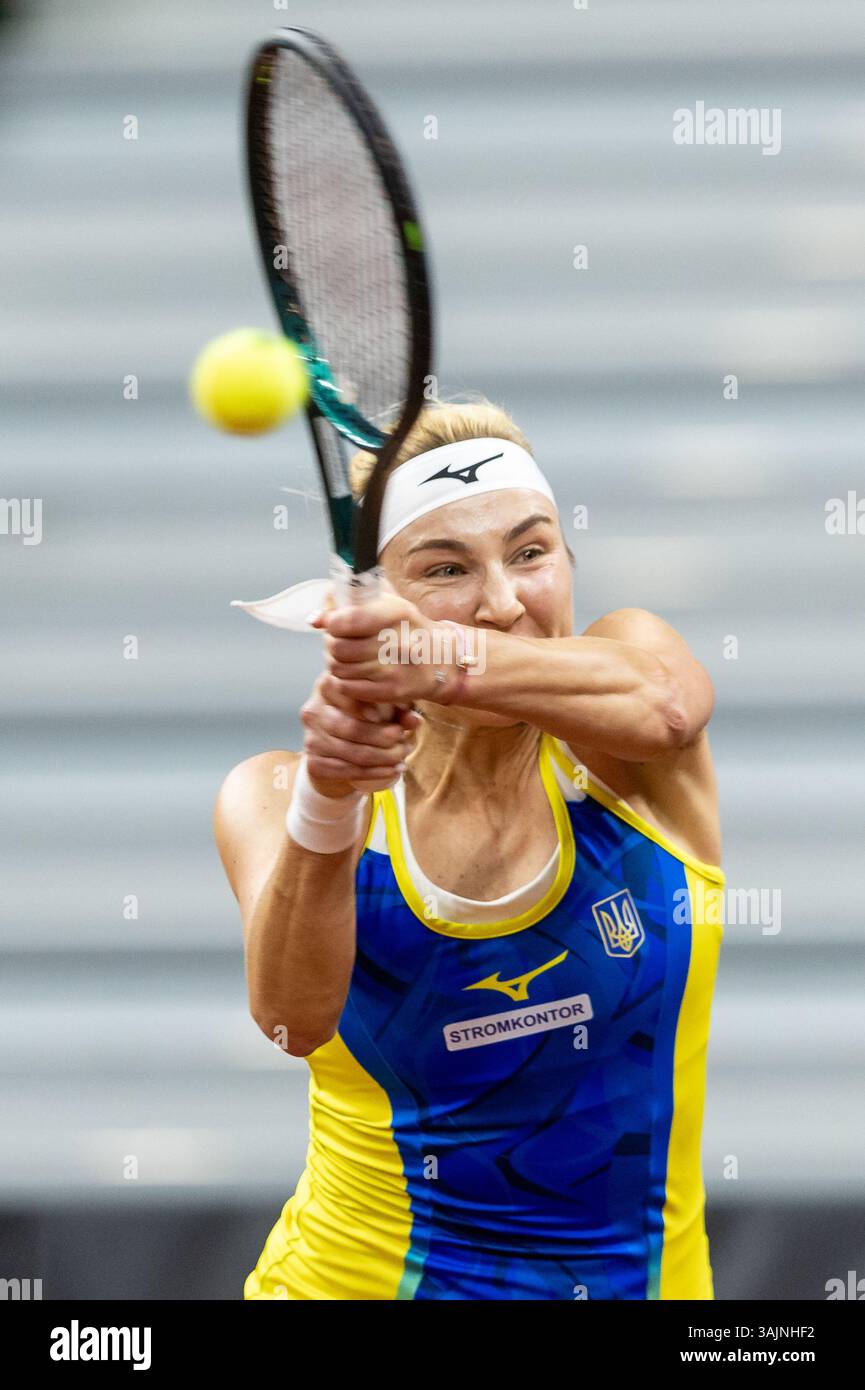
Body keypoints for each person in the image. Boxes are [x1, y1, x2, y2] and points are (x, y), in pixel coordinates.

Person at [214, 399, 724, 1300]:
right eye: (446, 568)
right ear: (368, 606)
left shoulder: (627, 705)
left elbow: (668, 704)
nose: (501, 600)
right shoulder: (274, 794)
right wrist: (331, 798)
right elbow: (292, 1019)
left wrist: (439, 655)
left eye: (530, 553)